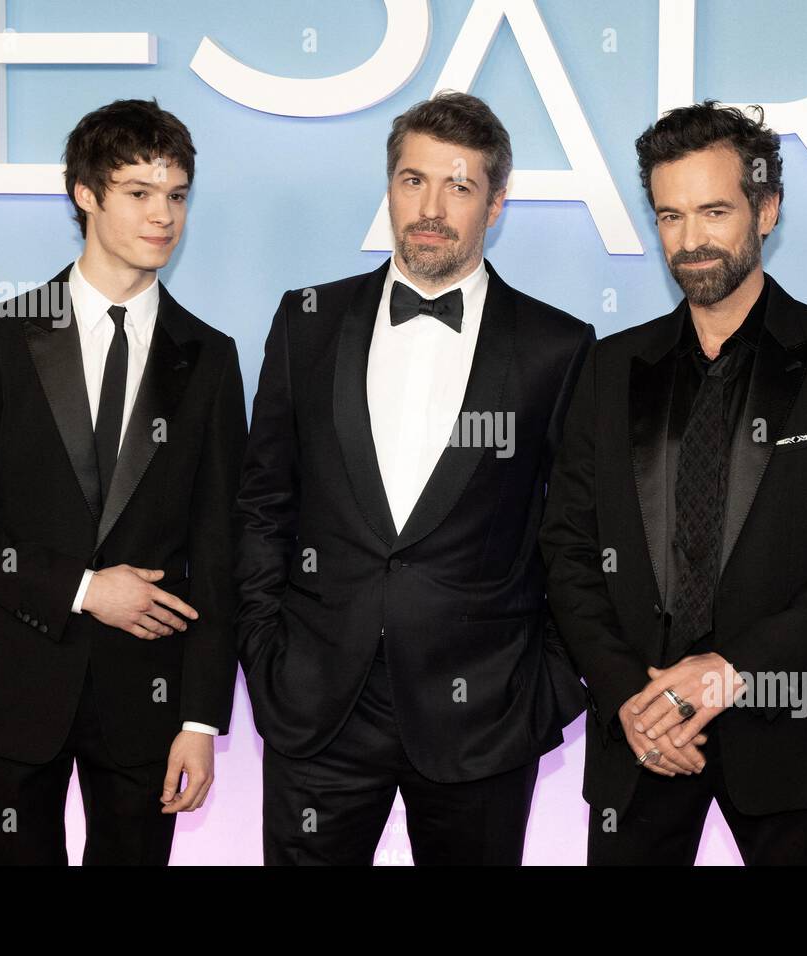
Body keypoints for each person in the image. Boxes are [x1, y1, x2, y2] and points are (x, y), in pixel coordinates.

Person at [539, 100, 807, 865]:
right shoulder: (609, 369)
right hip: (639, 741)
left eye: (714, 210)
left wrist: (731, 673)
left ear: (766, 209)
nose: (691, 239)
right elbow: (568, 549)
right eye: (670, 215)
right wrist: (627, 699)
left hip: (791, 745)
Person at [236, 91, 592, 865]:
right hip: (319, 703)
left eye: (459, 186)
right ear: (389, 186)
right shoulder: (307, 320)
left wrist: (549, 690)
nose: (430, 208)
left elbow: (575, 535)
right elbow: (264, 503)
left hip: (486, 714)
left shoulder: (557, 347)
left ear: (495, 203)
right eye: (412, 181)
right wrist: (267, 655)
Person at [0, 98, 246, 865]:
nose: (163, 215)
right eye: (138, 193)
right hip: (14, 692)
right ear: (86, 194)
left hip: (151, 706)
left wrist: (201, 719)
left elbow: (222, 549)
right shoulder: (0, 338)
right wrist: (86, 588)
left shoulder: (210, 357)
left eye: (176, 195)